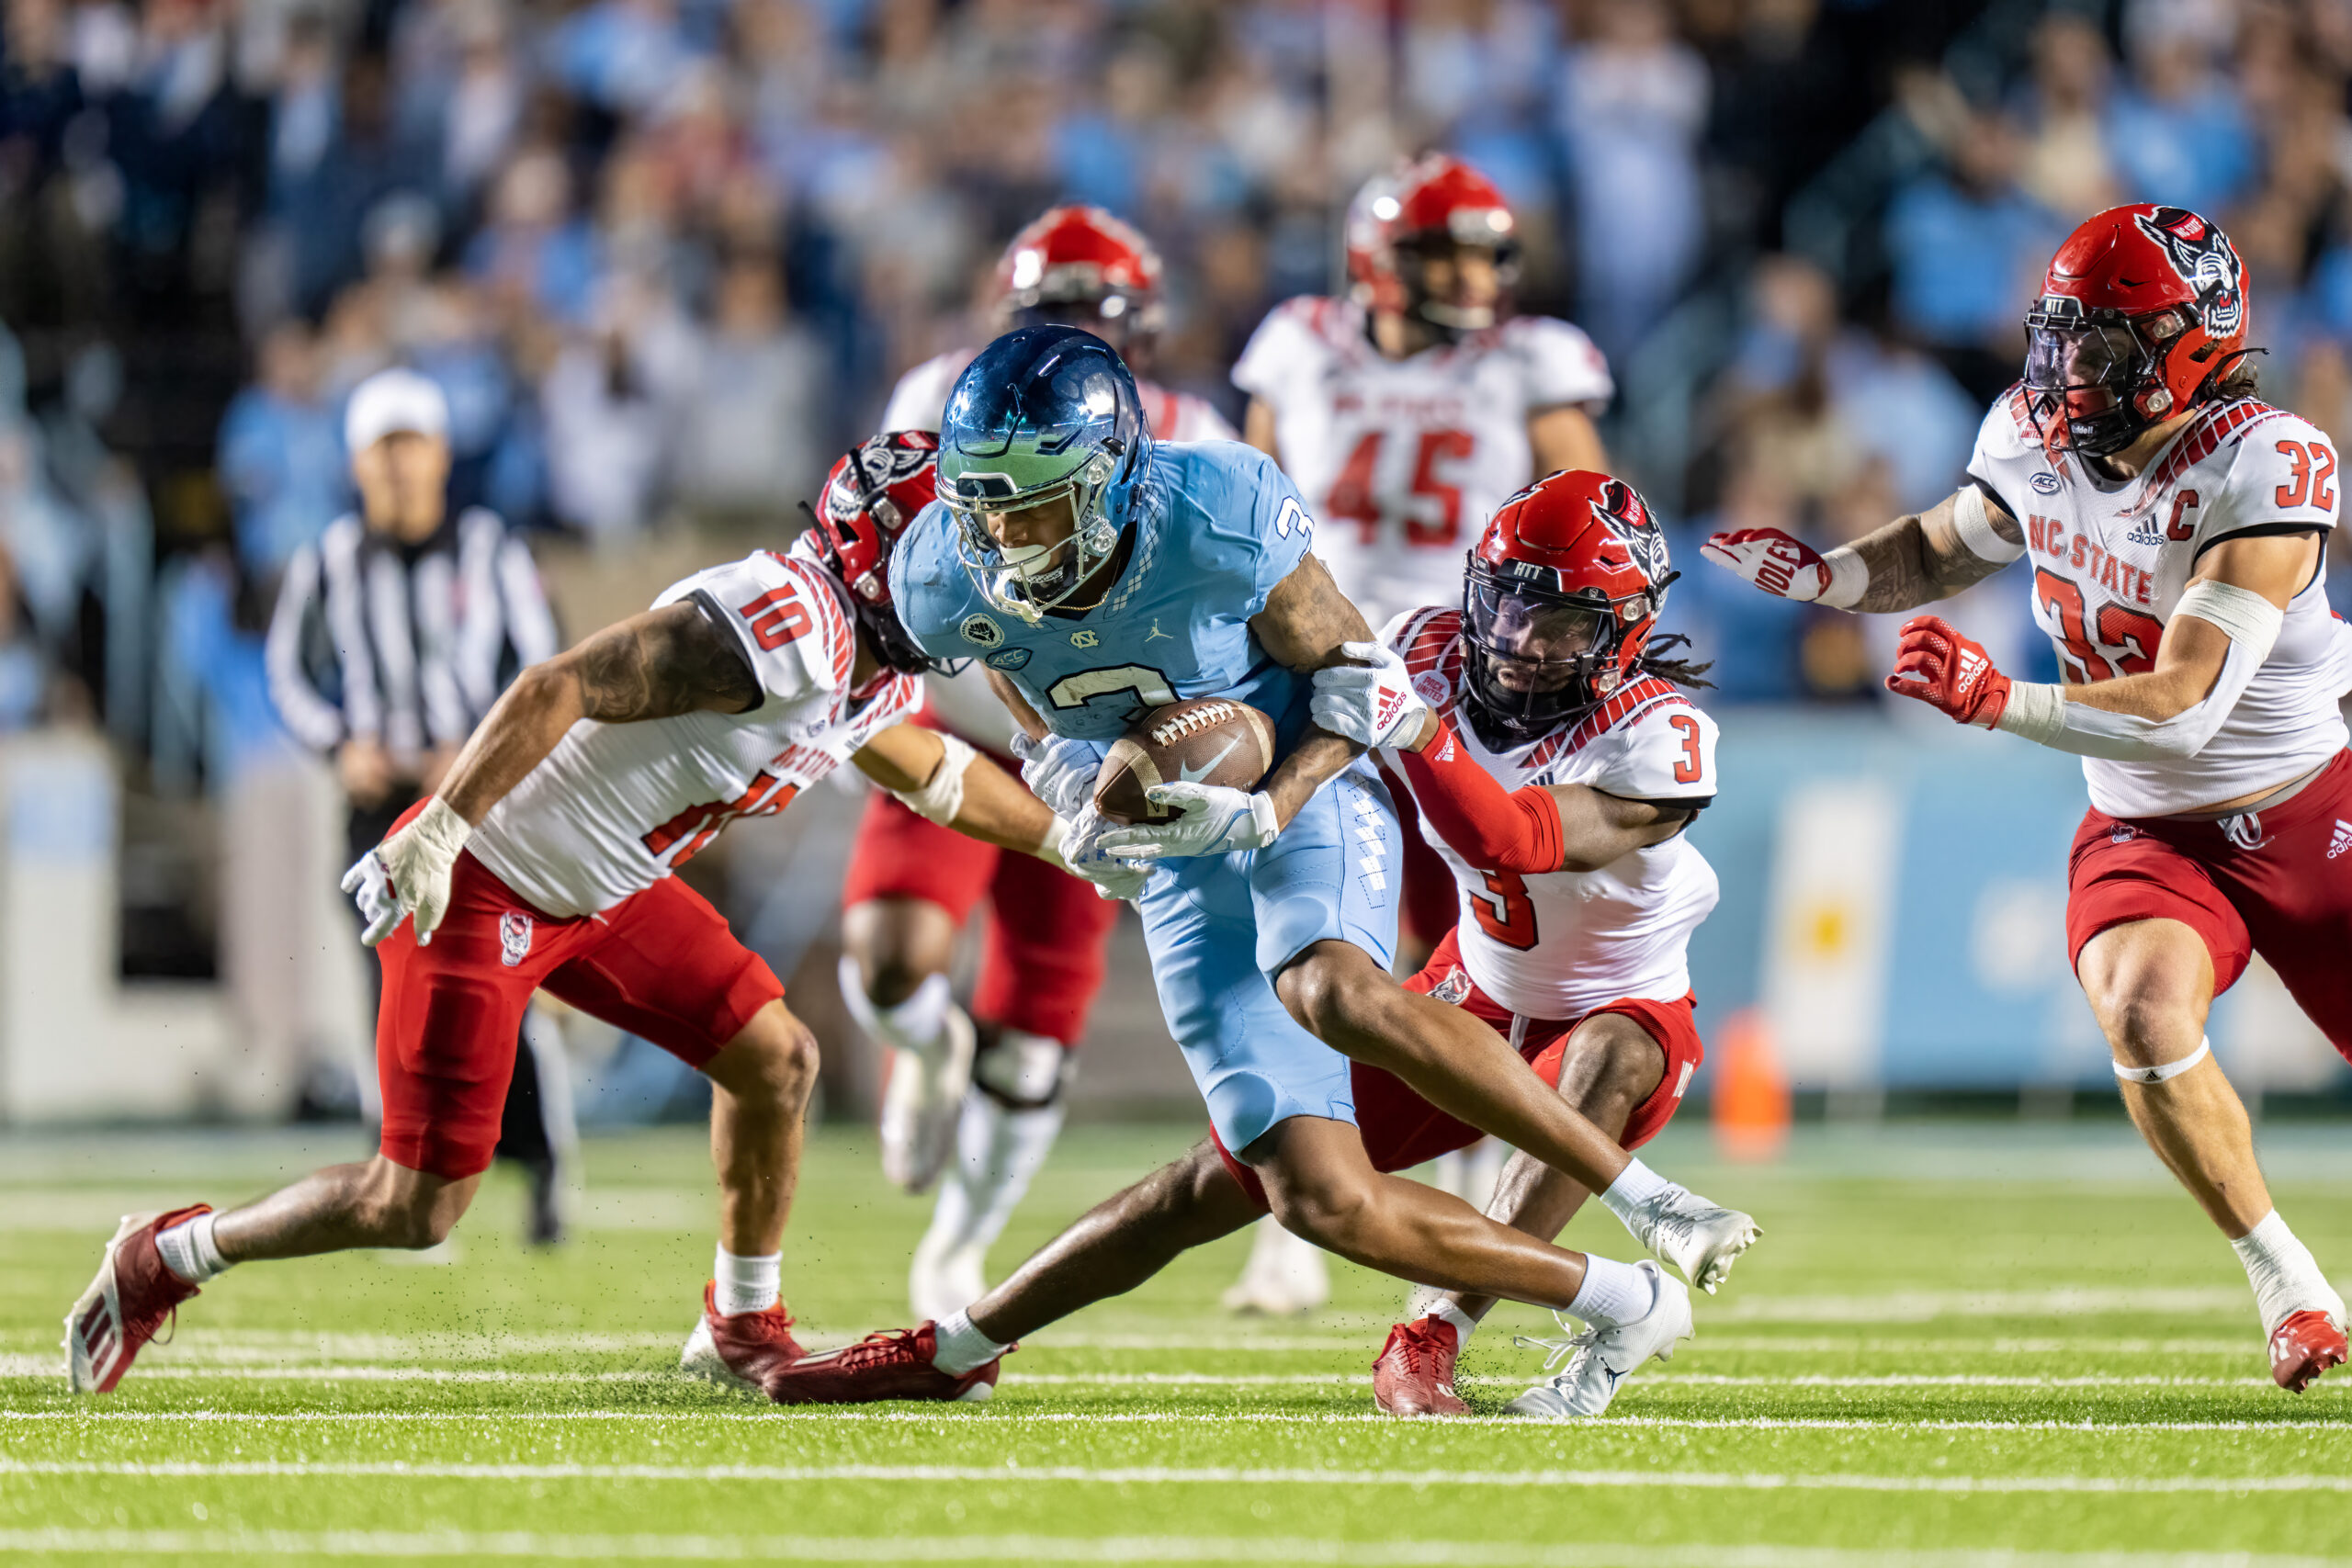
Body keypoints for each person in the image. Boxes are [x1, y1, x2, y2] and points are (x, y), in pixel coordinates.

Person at [759, 325, 1757, 1405]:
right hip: (1195, 858)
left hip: (1306, 795)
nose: (1006, 536)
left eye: (1036, 505)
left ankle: (1646, 1202)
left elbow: (1370, 708)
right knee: (1295, 1192)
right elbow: (1001, 655)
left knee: (1327, 986)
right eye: (985, 506)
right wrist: (1059, 769)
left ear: (1112, 478)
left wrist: (1270, 802)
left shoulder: (1218, 509)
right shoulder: (938, 575)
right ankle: (957, 1351)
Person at [63, 432, 1123, 1396]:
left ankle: (740, 1326)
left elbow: (934, 773)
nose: (978, 570)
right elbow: (557, 683)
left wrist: (1069, 842)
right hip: (485, 874)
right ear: (877, 549)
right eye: (953, 545)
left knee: (776, 1060)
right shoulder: (784, 626)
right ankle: (168, 1254)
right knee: (416, 1203)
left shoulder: (865, 666)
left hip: (605, 888)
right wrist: (440, 829)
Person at [1701, 203, 2350, 1393]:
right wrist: (1830, 577)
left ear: (2191, 342)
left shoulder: (2265, 463)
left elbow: (2188, 704)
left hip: (2311, 805)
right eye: (2058, 335)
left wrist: (1999, 699)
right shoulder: (2027, 435)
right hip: (2146, 822)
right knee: (2141, 1006)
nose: (2067, 368)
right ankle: (2289, 1283)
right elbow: (1945, 546)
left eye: (2100, 342)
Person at [1226, 153, 1617, 1311]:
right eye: (1446, 255)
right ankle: (1296, 1209)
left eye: (1484, 255)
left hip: (1460, 677)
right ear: (1380, 260)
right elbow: (1249, 502)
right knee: (1310, 943)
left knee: (1471, 950)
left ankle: (1454, 1203)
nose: (1472, 277)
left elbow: (1591, 517)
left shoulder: (1527, 359)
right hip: (1318, 667)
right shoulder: (1298, 343)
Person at [847, 205, 1232, 1322]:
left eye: (1090, 314)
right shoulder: (940, 396)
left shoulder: (1190, 430)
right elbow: (893, 561)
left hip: (1103, 748)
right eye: (1050, 312)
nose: (1070, 335)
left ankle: (955, 1250)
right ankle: (927, 1045)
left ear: (1138, 329)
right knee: (890, 958)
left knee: (1029, 1041)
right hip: (971, 720)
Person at [1347, 469, 1721, 1416]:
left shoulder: (1658, 735)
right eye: (1507, 604)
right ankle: (994, 1328)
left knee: (1606, 1055)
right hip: (1475, 977)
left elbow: (1507, 838)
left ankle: (1432, 1333)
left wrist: (1414, 728)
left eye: (1559, 622)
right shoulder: (1423, 648)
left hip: (1620, 1001)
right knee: (1270, 1159)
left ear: (1621, 630)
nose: (1519, 639)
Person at [263, 367, 574, 1241]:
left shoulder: (492, 550)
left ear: (440, 455)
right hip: (379, 806)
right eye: (383, 449)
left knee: (500, 982)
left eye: (411, 445)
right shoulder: (328, 560)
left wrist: (476, 750)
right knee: (390, 987)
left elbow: (541, 666)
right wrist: (339, 744)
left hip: (476, 800)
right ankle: (395, 1171)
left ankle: (544, 1160)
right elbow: (287, 672)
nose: (399, 465)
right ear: (358, 464)